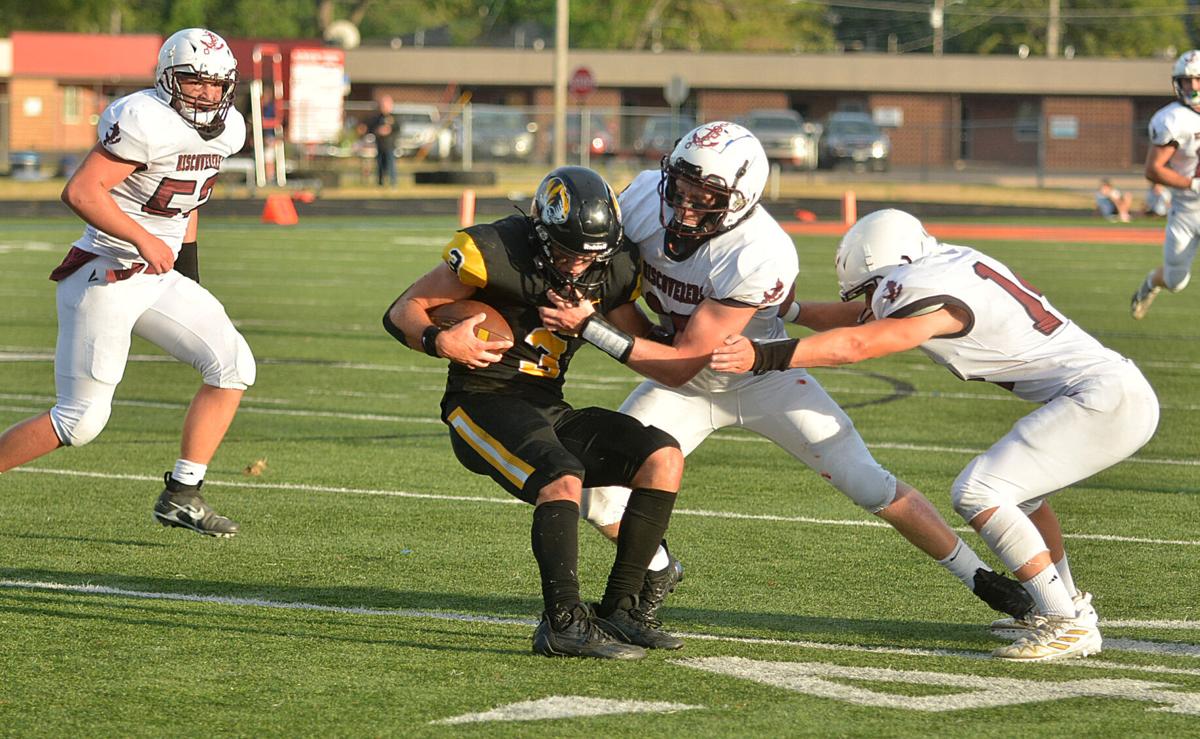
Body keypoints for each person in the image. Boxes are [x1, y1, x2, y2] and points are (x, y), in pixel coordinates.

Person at [538, 122, 1034, 631]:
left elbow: (684, 359)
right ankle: (660, 567)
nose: (684, 206)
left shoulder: (758, 251)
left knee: (869, 484)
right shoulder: (644, 196)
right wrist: (621, 318)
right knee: (598, 496)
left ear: (740, 200)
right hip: (682, 382)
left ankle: (981, 579)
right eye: (681, 187)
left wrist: (591, 327)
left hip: (760, 377)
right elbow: (615, 288)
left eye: (704, 197)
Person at [712, 208, 1159, 661]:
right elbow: (865, 318)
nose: (872, 300)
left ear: (889, 270)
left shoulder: (919, 286)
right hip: (1110, 390)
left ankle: (1064, 620)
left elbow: (860, 342)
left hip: (1101, 399)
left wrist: (764, 356)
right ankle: (1067, 605)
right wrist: (792, 311)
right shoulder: (946, 265)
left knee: (978, 492)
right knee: (1021, 498)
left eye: (871, 288)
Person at [384, 166, 686, 659]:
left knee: (662, 457)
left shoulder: (612, 268)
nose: (578, 264)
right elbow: (403, 309)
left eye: (590, 255)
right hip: (481, 401)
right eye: (567, 251)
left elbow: (641, 341)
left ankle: (624, 609)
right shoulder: (500, 250)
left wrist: (623, 328)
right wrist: (439, 340)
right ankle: (562, 622)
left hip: (548, 403)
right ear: (542, 233)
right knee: (560, 476)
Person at [0, 28, 252, 537]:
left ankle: (182, 494)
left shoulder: (229, 129)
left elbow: (188, 201)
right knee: (79, 421)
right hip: (106, 273)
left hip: (158, 275)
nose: (206, 93)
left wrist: (188, 272)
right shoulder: (144, 119)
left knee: (233, 366)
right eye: (194, 80)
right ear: (167, 78)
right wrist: (142, 238)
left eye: (215, 83)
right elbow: (81, 191)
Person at [1131, 49, 1200, 319]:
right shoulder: (1172, 119)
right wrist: (1192, 184)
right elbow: (1153, 170)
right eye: (1186, 80)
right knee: (1175, 281)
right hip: (1186, 210)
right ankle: (1151, 283)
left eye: (1198, 79)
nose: (1192, 86)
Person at [366, 95, 398, 187]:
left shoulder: (393, 117)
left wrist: (389, 130)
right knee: (380, 164)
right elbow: (371, 128)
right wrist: (378, 131)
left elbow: (398, 128)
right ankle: (380, 182)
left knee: (391, 164)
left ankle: (393, 182)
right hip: (380, 145)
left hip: (390, 145)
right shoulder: (377, 118)